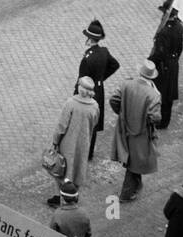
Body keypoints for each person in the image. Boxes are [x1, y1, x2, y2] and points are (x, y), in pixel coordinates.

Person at [110, 61, 162, 202]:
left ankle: (136, 186)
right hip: (142, 133)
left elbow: (114, 99)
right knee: (134, 163)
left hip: (124, 128)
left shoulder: (127, 84)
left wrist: (121, 114)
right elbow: (155, 117)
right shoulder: (153, 95)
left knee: (133, 160)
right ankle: (126, 194)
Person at [48, 77, 99, 208]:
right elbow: (94, 123)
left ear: (80, 88)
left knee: (63, 170)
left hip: (67, 143)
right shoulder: (94, 106)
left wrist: (55, 141)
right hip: (84, 143)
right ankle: (73, 194)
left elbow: (62, 125)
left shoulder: (71, 103)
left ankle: (60, 197)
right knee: (77, 168)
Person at [78, 20, 119, 159]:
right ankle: (90, 153)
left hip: (87, 92)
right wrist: (100, 80)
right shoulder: (104, 52)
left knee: (84, 123)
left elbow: (82, 80)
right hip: (99, 91)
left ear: (90, 39)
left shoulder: (87, 59)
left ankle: (83, 153)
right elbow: (115, 65)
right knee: (94, 123)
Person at [149, 1, 183, 129]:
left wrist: (149, 62)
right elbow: (180, 47)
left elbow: (159, 53)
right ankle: (166, 120)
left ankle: (160, 120)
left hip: (163, 65)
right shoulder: (179, 26)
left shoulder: (163, 32)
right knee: (169, 94)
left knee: (160, 93)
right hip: (174, 62)